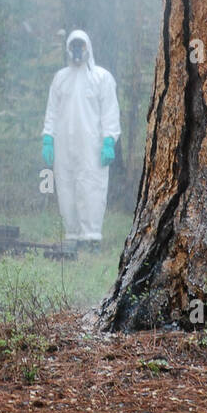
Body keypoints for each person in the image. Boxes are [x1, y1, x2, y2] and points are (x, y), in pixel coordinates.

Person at [41, 29, 120, 251]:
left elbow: (110, 113)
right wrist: (48, 137)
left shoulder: (101, 78)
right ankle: (72, 234)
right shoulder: (60, 78)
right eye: (74, 46)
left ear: (88, 47)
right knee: (65, 188)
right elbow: (52, 111)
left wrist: (108, 141)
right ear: (68, 48)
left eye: (81, 46)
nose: (77, 50)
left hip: (91, 146)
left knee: (91, 188)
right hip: (63, 146)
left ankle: (91, 236)